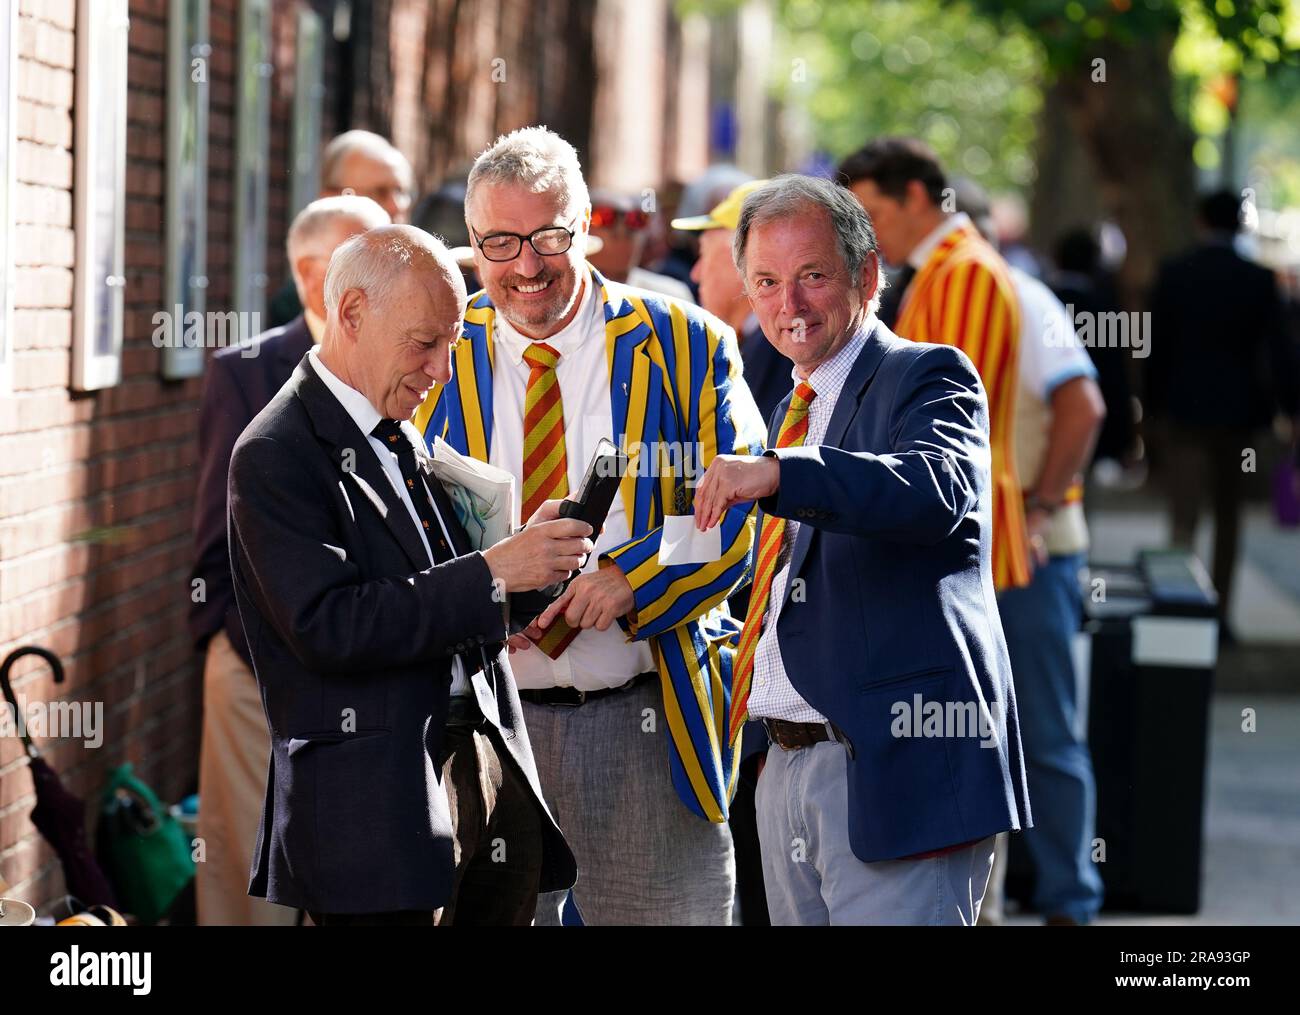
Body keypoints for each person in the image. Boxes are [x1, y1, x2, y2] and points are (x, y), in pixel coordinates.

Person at [415, 127, 766, 925]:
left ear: (586, 229)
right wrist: (480, 590)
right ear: (473, 244)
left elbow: (738, 509)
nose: (527, 266)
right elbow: (398, 525)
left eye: (548, 236)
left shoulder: (687, 345)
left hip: (648, 722)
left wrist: (628, 579)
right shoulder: (436, 353)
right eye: (500, 242)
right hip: (488, 735)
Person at [693, 174, 1031, 925]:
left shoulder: (926, 373)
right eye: (767, 282)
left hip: (893, 770)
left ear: (867, 275)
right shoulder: (793, 402)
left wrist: (780, 472)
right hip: (784, 767)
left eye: (813, 275)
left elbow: (931, 491)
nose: (790, 304)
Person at [227, 225, 581, 924]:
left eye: (451, 342)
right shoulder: (275, 451)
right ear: (351, 314)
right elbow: (330, 627)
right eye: (425, 343)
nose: (442, 369)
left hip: (482, 774)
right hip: (375, 811)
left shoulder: (394, 423)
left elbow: (440, 600)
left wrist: (530, 567)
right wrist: (489, 572)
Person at [189, 195, 390, 925]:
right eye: (367, 260)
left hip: (370, 668)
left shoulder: (407, 361)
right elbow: (216, 536)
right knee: (251, 889)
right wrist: (248, 650)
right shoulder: (245, 370)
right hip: (255, 667)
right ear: (312, 280)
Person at [957, 180, 1108, 926]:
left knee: (1044, 731)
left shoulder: (1024, 298)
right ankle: (1000, 898)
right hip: (973, 556)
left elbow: (1084, 405)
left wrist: (1042, 506)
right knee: (970, 731)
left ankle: (1067, 901)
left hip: (1036, 555)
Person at [839, 137, 1029, 593]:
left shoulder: (966, 271)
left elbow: (950, 425)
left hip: (962, 537)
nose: (868, 235)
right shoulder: (946, 269)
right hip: (947, 528)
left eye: (874, 215)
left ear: (917, 197)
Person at [1147, 189, 1291, 634]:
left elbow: (1157, 349)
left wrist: (1151, 409)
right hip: (1241, 417)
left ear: (1200, 221)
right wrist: (1286, 408)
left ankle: (1178, 606)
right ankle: (1221, 614)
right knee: (1230, 518)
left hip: (1185, 412)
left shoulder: (1175, 274)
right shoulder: (1260, 280)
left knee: (1183, 515)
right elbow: (1279, 352)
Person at [267, 131, 415, 328]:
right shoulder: (296, 304)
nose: (397, 206)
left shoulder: (426, 281)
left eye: (400, 191)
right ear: (332, 198)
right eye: (379, 192)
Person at [587, 188, 694, 302]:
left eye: (635, 219)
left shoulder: (672, 298)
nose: (623, 230)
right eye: (605, 217)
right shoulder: (570, 299)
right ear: (582, 226)